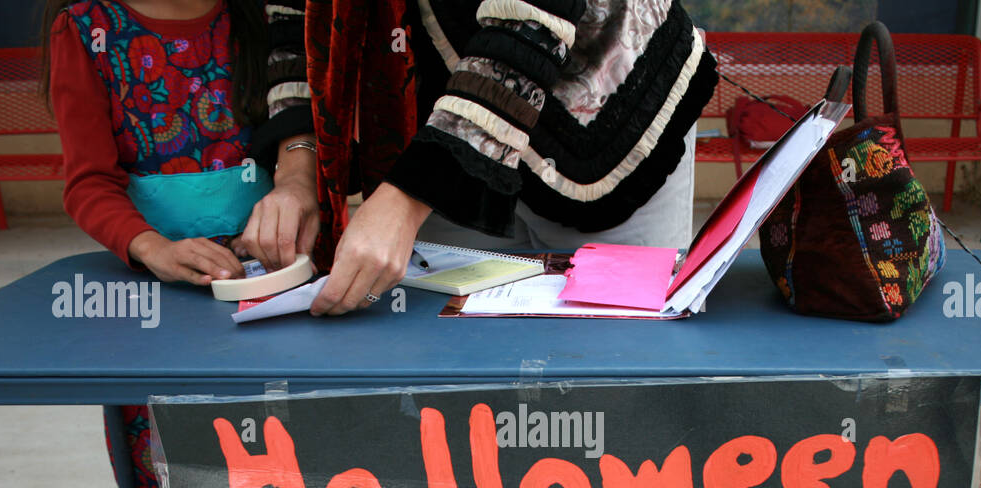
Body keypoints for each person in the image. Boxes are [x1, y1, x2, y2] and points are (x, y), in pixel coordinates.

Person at [250, 1, 718, 315]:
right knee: (450, 361)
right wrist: (297, 164)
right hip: (437, 122)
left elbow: (532, 15)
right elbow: (297, 17)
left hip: (606, 122)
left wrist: (408, 198)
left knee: (616, 365)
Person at [42, 0, 317, 488]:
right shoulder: (86, 29)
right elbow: (88, 183)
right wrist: (153, 249)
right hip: (160, 308)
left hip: (279, 285)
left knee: (300, 484)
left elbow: (304, 126)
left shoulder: (268, 12)